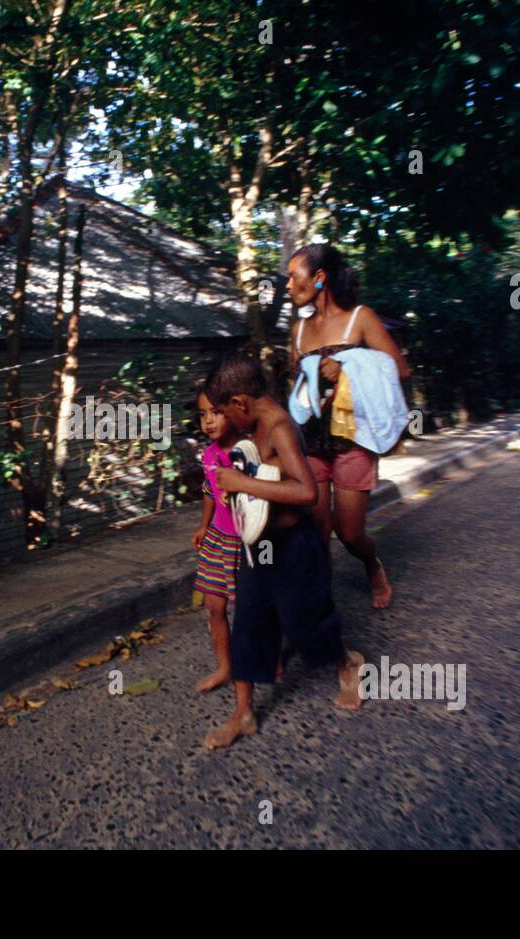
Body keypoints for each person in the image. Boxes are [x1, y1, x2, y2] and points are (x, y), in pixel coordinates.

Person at [201, 351, 363, 750]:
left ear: (240, 403)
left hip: (293, 546)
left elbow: (306, 491)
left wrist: (241, 484)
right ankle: (244, 714)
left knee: (307, 624)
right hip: (260, 545)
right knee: (249, 623)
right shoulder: (252, 425)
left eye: (226, 412)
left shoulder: (279, 428)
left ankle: (347, 663)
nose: (227, 421)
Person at [286, 243, 411, 609]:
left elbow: (399, 370)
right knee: (317, 531)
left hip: (353, 440)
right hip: (310, 442)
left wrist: (350, 366)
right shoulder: (297, 331)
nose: (288, 286)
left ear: (319, 278)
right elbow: (300, 389)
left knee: (350, 532)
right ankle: (318, 614)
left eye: (294, 277)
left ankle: (372, 565)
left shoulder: (361, 318)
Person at [191, 389, 244, 693]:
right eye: (202, 414)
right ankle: (225, 667)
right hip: (218, 538)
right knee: (214, 606)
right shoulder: (210, 453)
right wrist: (203, 525)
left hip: (246, 542)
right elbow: (209, 491)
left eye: (215, 412)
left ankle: (272, 652)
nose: (208, 421)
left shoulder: (247, 451)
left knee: (254, 607)